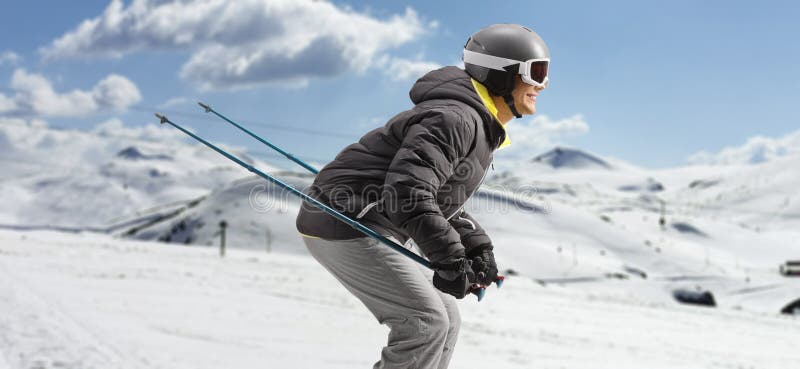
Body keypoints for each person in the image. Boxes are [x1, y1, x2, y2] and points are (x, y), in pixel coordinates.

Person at [295, 23, 550, 369]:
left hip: (369, 218)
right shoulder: (456, 119)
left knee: (445, 321)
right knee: (425, 322)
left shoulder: (475, 122)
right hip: (346, 220)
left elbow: (438, 193)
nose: (543, 83)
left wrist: (476, 245)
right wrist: (449, 255)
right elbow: (409, 192)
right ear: (501, 74)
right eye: (537, 71)